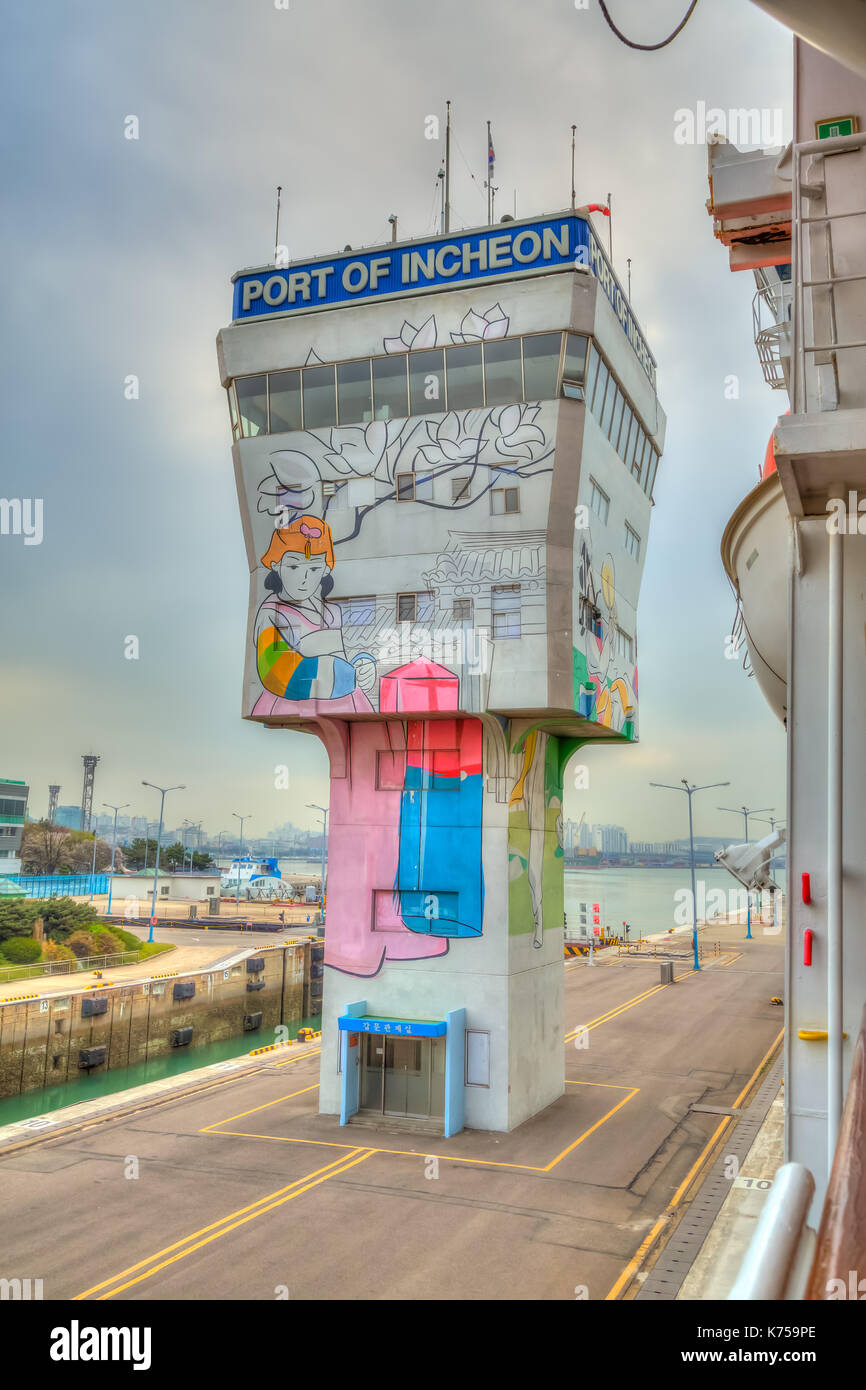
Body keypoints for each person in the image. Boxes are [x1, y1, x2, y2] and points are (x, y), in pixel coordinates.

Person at [251, 515, 376, 715]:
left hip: (344, 701)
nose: (304, 578)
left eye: (315, 568)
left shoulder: (332, 612)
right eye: (293, 566)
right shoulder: (272, 613)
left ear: (326, 569)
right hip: (290, 704)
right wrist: (345, 675)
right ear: (276, 564)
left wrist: (363, 666)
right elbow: (275, 672)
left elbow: (344, 656)